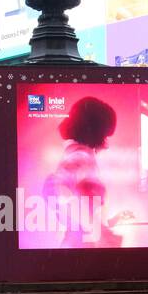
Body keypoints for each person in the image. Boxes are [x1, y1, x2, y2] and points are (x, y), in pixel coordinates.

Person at [42, 96, 133, 248]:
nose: (106, 143)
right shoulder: (82, 154)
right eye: (104, 134)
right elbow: (59, 189)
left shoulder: (75, 153)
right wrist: (104, 235)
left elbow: (82, 215)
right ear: (95, 130)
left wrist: (111, 222)